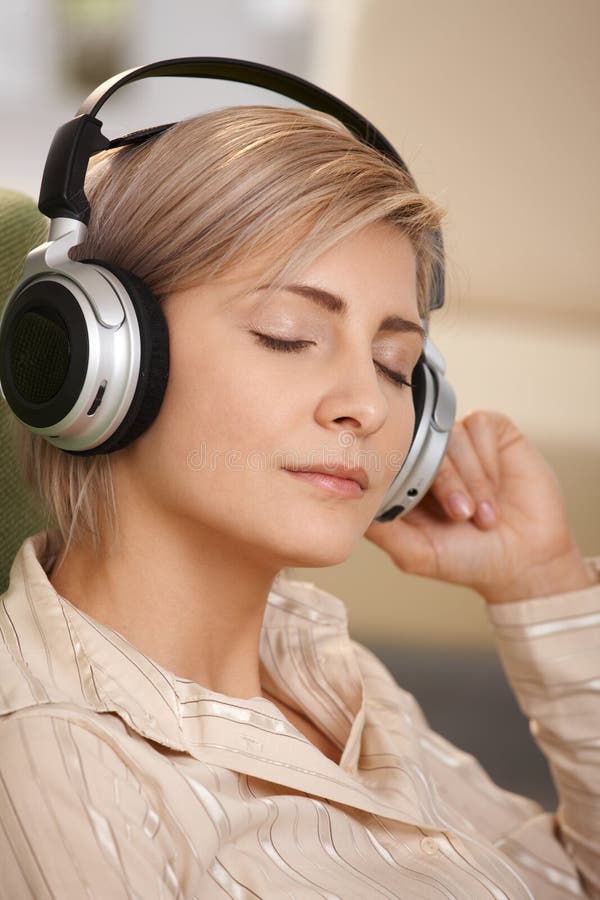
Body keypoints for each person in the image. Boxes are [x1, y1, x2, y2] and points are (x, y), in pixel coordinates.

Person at [0, 101, 598, 900]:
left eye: (394, 361)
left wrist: (542, 584)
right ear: (103, 354)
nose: (370, 406)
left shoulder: (324, 669)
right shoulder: (60, 768)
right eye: (288, 334)